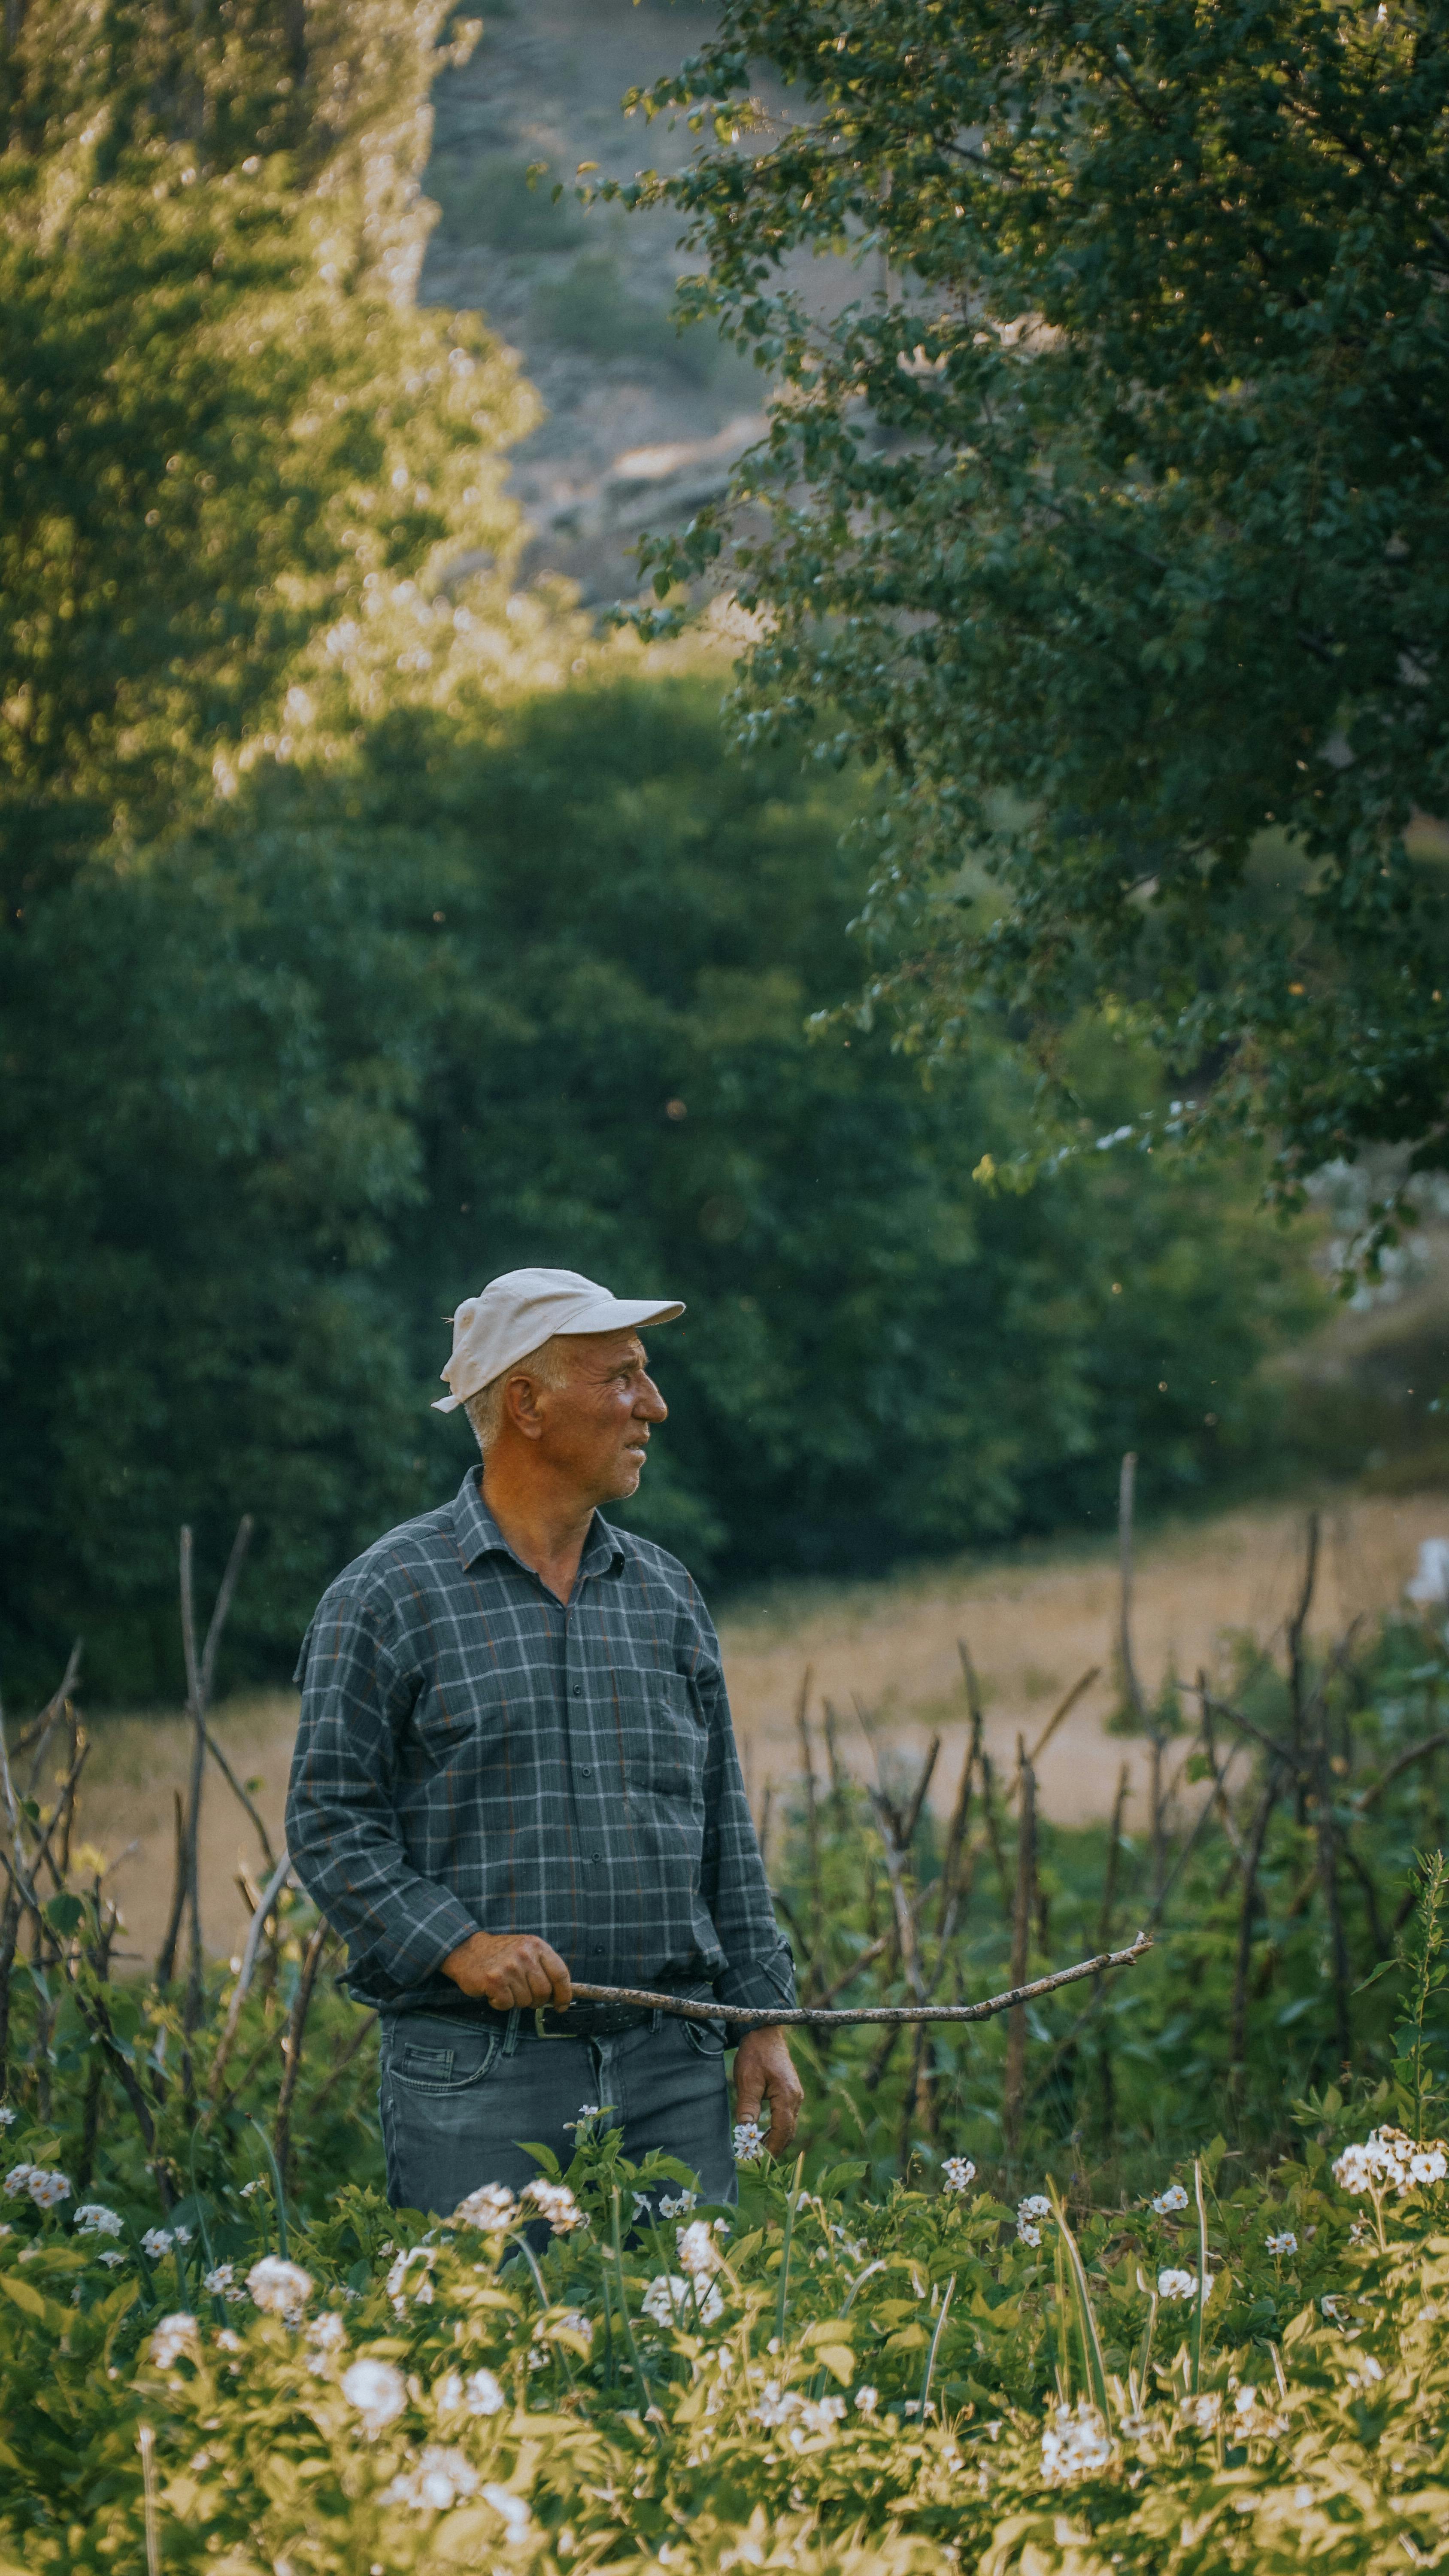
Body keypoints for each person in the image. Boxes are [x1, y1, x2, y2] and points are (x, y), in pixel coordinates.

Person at [286, 1265, 801, 2218]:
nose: (653, 1404)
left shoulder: (664, 1595)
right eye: (621, 1379)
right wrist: (461, 1945)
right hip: (478, 2077)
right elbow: (330, 1824)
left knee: (683, 2361)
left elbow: (723, 1823)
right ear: (525, 1403)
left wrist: (760, 2017)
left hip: (672, 2073)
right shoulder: (387, 1597)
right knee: (491, 2355)